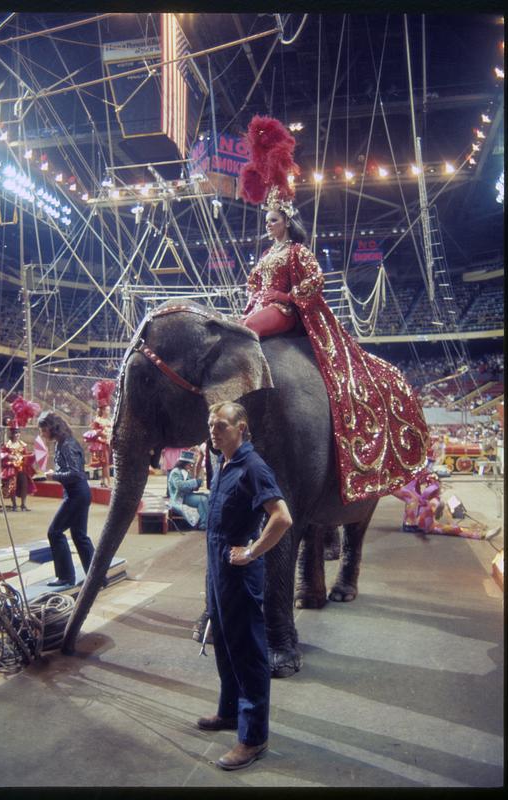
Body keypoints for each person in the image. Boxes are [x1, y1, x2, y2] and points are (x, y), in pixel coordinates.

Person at [238, 114, 429, 504]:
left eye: (273, 220)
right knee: (238, 325)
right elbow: (255, 283)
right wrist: (257, 293)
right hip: (262, 304)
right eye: (267, 220)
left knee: (245, 332)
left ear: (287, 222)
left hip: (284, 311)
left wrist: (285, 298)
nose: (268, 225)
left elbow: (314, 282)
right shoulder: (268, 252)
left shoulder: (296, 251)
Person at [197, 401, 292, 771]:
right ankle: (228, 711)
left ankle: (253, 737)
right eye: (211, 425)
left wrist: (252, 551)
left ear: (241, 428)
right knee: (223, 641)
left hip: (238, 571)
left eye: (221, 425)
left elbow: (282, 517)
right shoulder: (224, 461)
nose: (214, 431)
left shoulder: (253, 466)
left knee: (248, 651)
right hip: (218, 563)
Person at [38, 411, 96, 588]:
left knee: (54, 532)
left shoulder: (67, 445)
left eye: (43, 430)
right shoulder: (62, 443)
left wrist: (53, 475)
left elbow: (76, 474)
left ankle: (66, 577)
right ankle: (97, 578)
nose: (42, 434)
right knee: (79, 536)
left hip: (76, 494)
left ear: (50, 428)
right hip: (77, 493)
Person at [0, 427, 36, 511]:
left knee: (24, 485)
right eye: (15, 433)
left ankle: (23, 505)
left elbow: (25, 455)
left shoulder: (22, 444)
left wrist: (28, 456)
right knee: (12, 486)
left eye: (18, 433)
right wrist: (9, 456)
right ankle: (14, 505)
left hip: (22, 468)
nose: (17, 435)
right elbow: (1, 455)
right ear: (12, 434)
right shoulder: (7, 445)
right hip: (11, 469)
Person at [168, 450, 209, 530]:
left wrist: (197, 485)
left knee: (208, 496)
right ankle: (204, 524)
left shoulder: (185, 471)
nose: (191, 465)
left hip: (187, 495)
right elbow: (180, 486)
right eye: (190, 464)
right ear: (184, 463)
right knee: (202, 500)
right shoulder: (175, 472)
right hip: (179, 498)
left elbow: (189, 486)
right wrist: (194, 482)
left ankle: (206, 520)